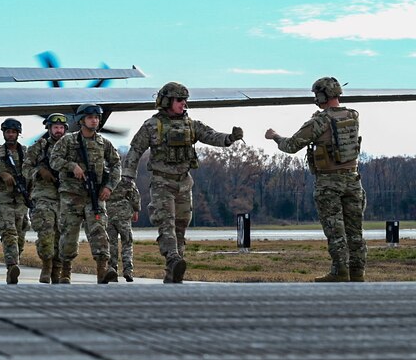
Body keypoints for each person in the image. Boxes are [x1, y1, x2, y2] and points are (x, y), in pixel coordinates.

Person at [122, 82, 243, 283]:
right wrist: (128, 177)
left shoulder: (191, 125)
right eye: (179, 100)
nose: (183, 104)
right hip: (162, 183)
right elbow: (135, 150)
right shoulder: (152, 126)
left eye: (185, 100)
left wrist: (230, 138)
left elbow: (211, 135)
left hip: (184, 183)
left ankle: (173, 272)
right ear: (167, 101)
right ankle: (173, 258)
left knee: (181, 226)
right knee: (166, 224)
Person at [266, 77, 366, 282]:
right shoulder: (353, 116)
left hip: (329, 183)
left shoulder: (320, 121)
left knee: (335, 229)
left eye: (316, 95)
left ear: (322, 95)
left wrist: (274, 136)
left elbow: (292, 145)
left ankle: (340, 271)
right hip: (353, 181)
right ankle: (357, 272)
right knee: (355, 230)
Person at [50, 104, 122, 284]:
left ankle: (102, 271)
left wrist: (109, 187)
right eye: (91, 117)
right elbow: (54, 160)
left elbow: (116, 165)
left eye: (97, 117)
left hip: (94, 196)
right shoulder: (68, 141)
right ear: (82, 120)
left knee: (99, 233)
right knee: (69, 234)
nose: (95, 120)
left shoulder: (104, 143)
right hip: (72, 196)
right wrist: (71, 166)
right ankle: (65, 272)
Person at [0, 118, 31, 284]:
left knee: (20, 236)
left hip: (22, 201)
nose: (10, 135)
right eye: (7, 132)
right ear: (3, 133)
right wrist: (0, 176)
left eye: (13, 132)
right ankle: (12, 266)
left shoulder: (27, 153)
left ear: (18, 134)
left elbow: (34, 172)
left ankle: (14, 261)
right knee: (8, 233)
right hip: (4, 200)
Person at [24, 113, 67, 283]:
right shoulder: (39, 148)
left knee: (63, 236)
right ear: (49, 129)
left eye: (61, 128)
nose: (58, 130)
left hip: (66, 197)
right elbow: (26, 169)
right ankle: (46, 266)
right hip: (44, 197)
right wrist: (39, 172)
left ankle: (58, 270)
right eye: (55, 127)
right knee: (46, 233)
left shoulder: (72, 146)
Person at [105, 179, 141, 282]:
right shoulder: (127, 179)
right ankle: (128, 270)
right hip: (124, 214)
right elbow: (135, 194)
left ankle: (112, 269)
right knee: (127, 243)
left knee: (111, 243)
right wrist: (136, 210)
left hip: (109, 213)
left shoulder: (107, 177)